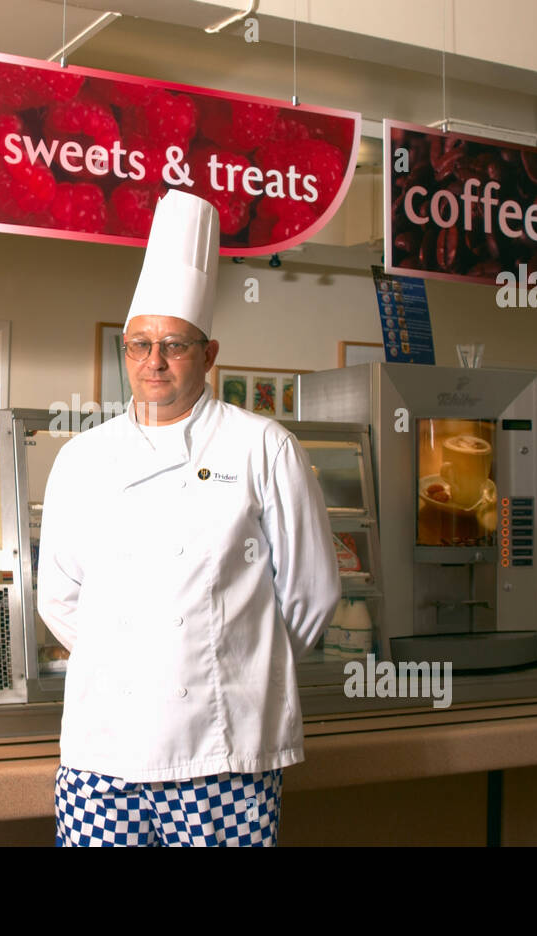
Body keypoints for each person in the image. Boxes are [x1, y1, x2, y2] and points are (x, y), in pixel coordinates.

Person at [37, 190, 341, 847]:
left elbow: (311, 593)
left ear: (208, 354)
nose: (154, 361)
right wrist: (130, 657)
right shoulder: (84, 456)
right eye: (139, 345)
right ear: (125, 352)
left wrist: (238, 662)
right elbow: (59, 595)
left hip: (225, 747)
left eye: (174, 345)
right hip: (104, 747)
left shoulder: (264, 446)